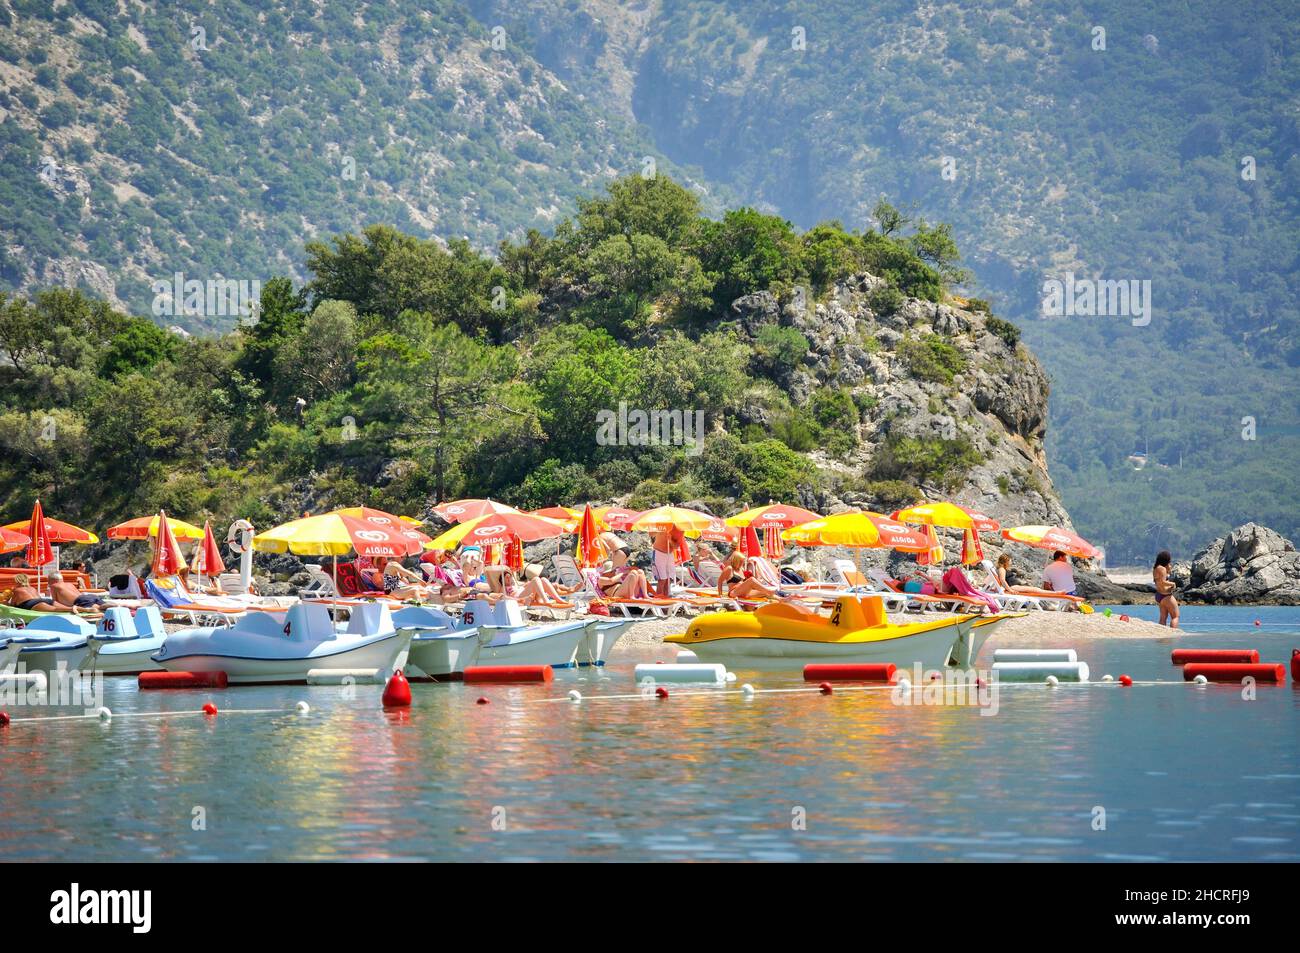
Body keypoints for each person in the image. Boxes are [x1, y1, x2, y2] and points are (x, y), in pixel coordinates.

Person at [716, 550, 783, 602]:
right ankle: (769, 591)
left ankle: (781, 599)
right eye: (741, 561)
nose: (742, 563)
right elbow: (720, 581)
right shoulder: (729, 568)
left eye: (742, 562)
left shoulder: (741, 569)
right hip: (734, 592)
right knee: (751, 580)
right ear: (736, 560)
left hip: (744, 592)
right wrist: (720, 595)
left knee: (764, 592)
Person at [651, 524, 685, 598]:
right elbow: (651, 534)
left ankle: (665, 603)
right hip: (658, 552)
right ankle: (659, 602)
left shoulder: (681, 529)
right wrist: (659, 530)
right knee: (662, 580)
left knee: (668, 580)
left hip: (670, 554)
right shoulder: (663, 523)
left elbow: (676, 546)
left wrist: (670, 540)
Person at [1153, 550, 1180, 628]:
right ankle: (1174, 632)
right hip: (1165, 595)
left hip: (1159, 596)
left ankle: (1162, 634)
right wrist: (1173, 584)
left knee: (1163, 617)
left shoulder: (1156, 568)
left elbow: (1159, 581)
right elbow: (1163, 581)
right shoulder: (1162, 569)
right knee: (1175, 616)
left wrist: (1168, 568)